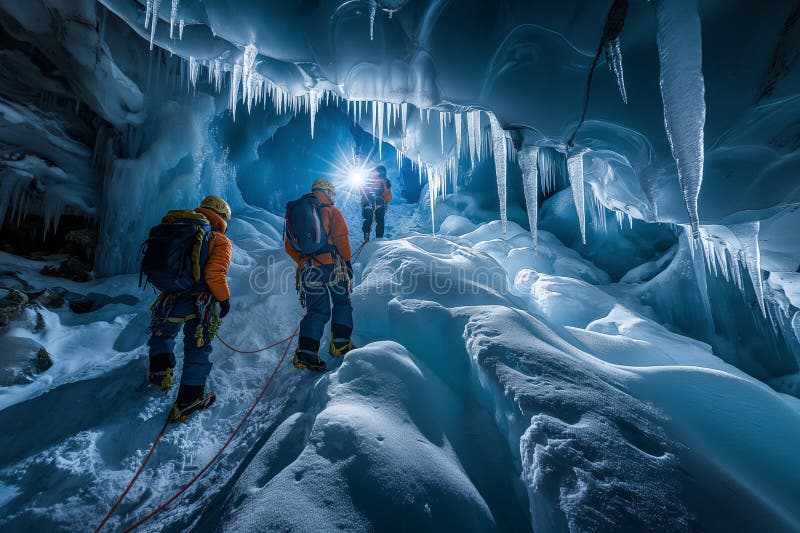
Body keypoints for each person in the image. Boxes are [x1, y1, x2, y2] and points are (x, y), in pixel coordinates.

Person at [147, 195, 233, 422]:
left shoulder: (179, 228)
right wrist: (224, 300)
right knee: (197, 346)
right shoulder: (219, 239)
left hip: (170, 298)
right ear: (222, 216)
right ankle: (189, 399)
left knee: (162, 333)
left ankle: (159, 373)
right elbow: (215, 275)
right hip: (198, 302)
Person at [285, 179, 355, 372]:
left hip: (308, 271)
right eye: (332, 193)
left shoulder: (298, 213)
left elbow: (289, 246)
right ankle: (340, 343)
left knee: (316, 311)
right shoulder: (331, 211)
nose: (333, 197)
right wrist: (347, 262)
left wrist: (304, 263)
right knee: (342, 302)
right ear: (326, 192)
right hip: (333, 266)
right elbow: (341, 239)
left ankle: (306, 354)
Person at [361, 165, 392, 241]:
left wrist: (381, 199)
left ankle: (379, 240)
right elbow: (364, 192)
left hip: (380, 204)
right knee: (368, 219)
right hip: (368, 203)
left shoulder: (386, 182)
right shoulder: (369, 180)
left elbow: (388, 196)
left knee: (380, 221)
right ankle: (366, 239)